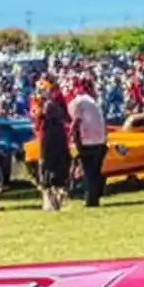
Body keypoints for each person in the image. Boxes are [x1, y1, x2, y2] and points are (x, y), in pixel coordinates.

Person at [68, 78, 109, 208]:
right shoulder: (93, 101)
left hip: (88, 141)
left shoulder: (78, 102)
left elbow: (76, 121)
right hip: (100, 140)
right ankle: (95, 198)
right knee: (95, 171)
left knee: (89, 171)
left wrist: (72, 136)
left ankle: (91, 200)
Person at [34, 77, 72, 211]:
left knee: (59, 163)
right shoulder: (39, 102)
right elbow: (37, 117)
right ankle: (50, 196)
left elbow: (66, 115)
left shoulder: (56, 100)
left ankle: (58, 194)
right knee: (48, 165)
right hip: (48, 136)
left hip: (56, 135)